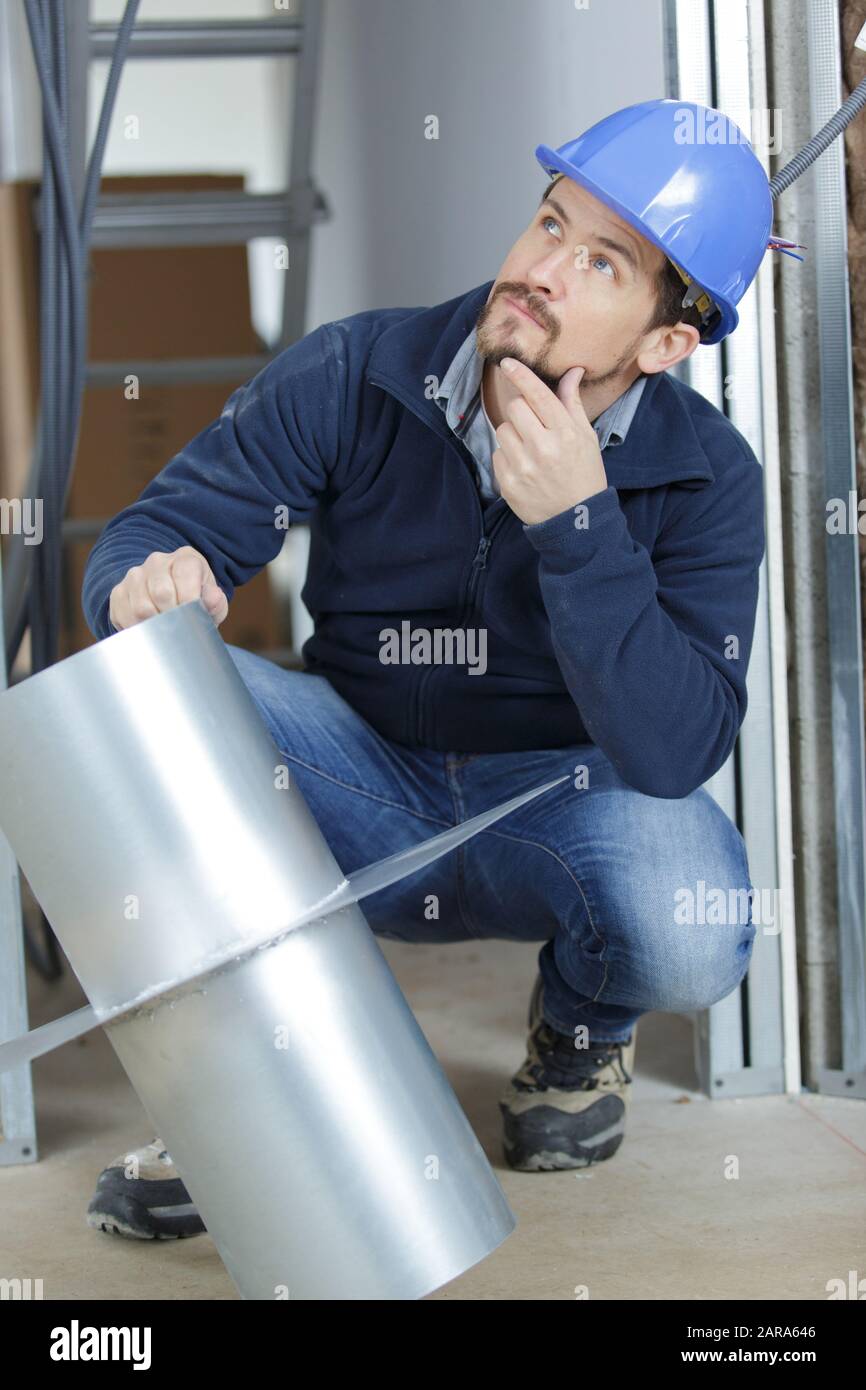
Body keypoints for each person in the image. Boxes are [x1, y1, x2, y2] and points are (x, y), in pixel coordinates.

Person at [83, 98, 777, 1240]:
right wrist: (145, 587)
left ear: (664, 345)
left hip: (554, 804)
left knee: (688, 915)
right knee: (151, 707)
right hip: (347, 775)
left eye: (601, 262)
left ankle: (579, 1035)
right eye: (549, 224)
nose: (541, 270)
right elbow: (156, 531)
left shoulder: (709, 476)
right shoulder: (358, 369)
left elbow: (678, 746)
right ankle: (246, 1094)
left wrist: (580, 527)